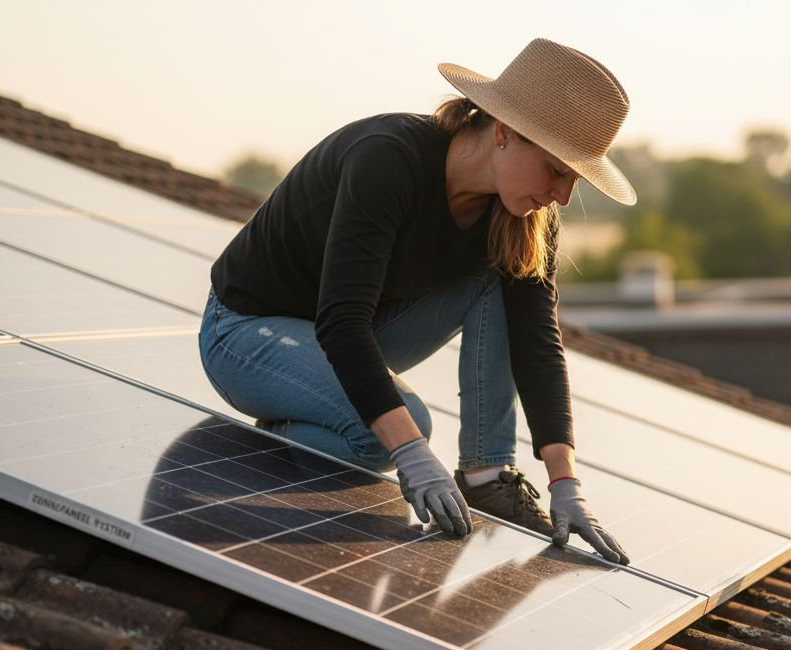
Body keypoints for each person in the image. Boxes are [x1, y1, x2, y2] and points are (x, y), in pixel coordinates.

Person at [200, 38, 634, 564]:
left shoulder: (523, 214)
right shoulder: (388, 158)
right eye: (557, 170)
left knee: (495, 279)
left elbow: (538, 341)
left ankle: (486, 475)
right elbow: (342, 320)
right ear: (504, 132)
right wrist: (410, 453)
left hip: (342, 341)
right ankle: (296, 425)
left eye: (575, 180)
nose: (563, 195)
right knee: (402, 428)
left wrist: (565, 481)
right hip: (246, 332)